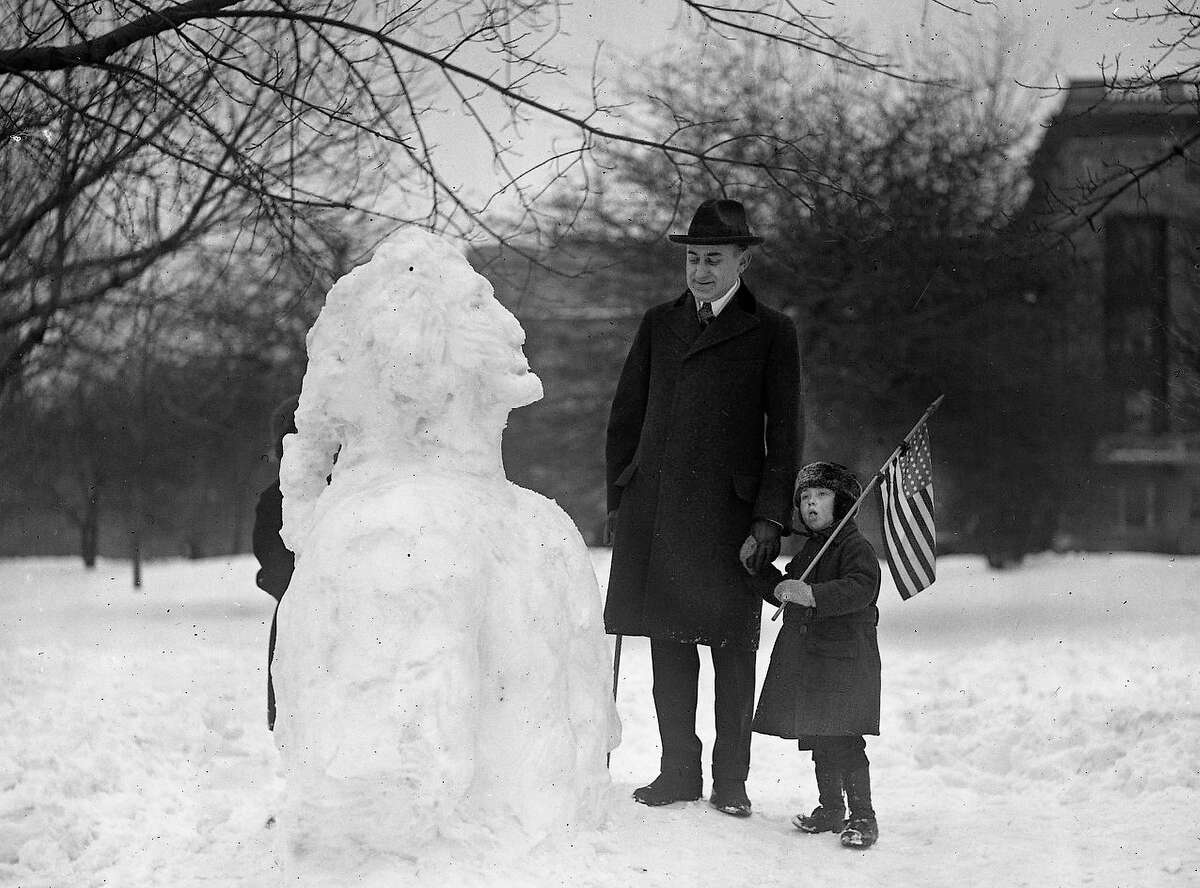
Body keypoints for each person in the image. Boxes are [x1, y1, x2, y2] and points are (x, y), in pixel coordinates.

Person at [604, 197, 803, 817]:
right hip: (659, 513)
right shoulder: (659, 323)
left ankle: (732, 781)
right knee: (669, 647)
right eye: (693, 258)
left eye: (713, 259)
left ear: (743, 259)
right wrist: (623, 495)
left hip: (732, 522)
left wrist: (770, 519)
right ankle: (677, 773)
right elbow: (625, 417)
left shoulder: (772, 331)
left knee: (732, 652)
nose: (700, 272)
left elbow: (786, 435)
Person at [751, 461, 882, 849]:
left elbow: (861, 587)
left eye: (822, 496)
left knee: (844, 738)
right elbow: (790, 589)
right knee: (820, 735)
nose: (811, 504)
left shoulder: (855, 547)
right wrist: (760, 574)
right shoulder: (813, 548)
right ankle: (830, 808)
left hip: (844, 663)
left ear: (842, 504)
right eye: (805, 497)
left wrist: (813, 595)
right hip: (812, 662)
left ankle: (863, 815)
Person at [252, 395, 299, 731]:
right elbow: (273, 569)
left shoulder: (273, 499)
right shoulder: (273, 501)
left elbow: (270, 571)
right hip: (298, 623)